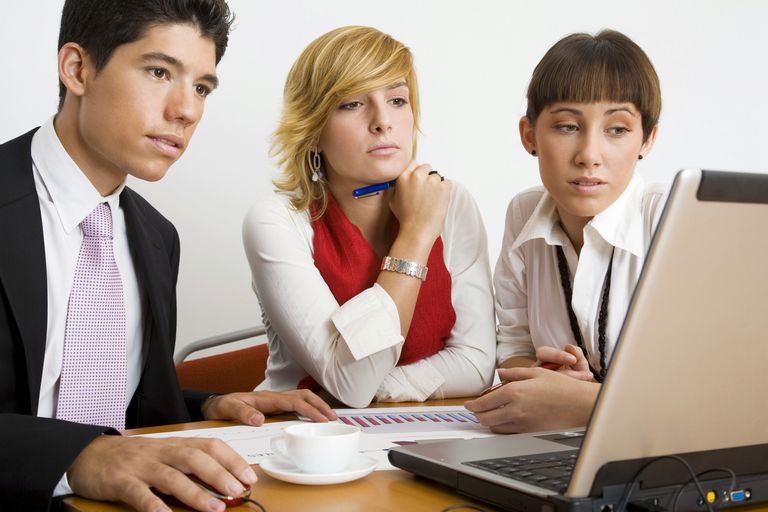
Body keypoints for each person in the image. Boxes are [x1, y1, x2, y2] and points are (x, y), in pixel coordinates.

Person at [0, 1, 335, 511]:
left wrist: (210, 406)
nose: (188, 110)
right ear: (77, 69)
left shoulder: (157, 238)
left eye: (202, 87)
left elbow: (121, 406)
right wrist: (77, 456)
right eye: (159, 72)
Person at [242, 26, 496, 408]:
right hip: (298, 435)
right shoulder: (277, 219)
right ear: (311, 130)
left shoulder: (452, 200)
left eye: (396, 100)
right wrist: (416, 233)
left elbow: (477, 365)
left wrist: (378, 388)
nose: (383, 122)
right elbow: (352, 381)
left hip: (419, 430)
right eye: (352, 104)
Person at [465, 29, 665, 433]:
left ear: (647, 139)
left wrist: (583, 403)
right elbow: (515, 349)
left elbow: (710, 391)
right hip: (562, 447)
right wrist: (547, 376)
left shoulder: (666, 216)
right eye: (568, 126)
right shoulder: (524, 213)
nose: (589, 156)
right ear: (529, 135)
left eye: (617, 129)